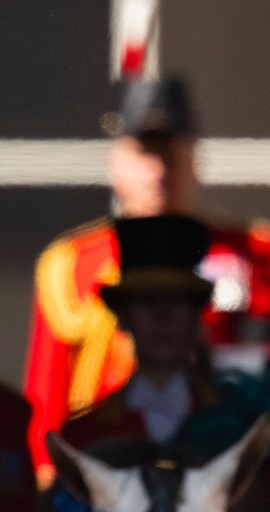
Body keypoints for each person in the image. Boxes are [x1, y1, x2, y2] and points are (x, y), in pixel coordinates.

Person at [23, 77, 270, 486]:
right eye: (143, 155)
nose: (158, 173)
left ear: (194, 161)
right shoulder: (73, 263)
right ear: (114, 164)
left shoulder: (255, 255)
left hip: (230, 454)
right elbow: (46, 394)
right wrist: (50, 480)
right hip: (108, 452)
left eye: (170, 155)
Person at [49, 215, 268, 511]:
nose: (163, 318)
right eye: (148, 302)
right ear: (123, 318)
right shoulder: (83, 436)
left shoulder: (242, 426)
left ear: (197, 316)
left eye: (177, 302)